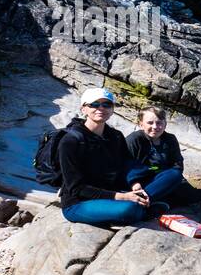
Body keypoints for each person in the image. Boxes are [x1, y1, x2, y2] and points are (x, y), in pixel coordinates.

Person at [57, 88, 168, 226]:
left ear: (112, 109)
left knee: (170, 175)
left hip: (114, 192)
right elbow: (77, 188)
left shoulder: (115, 136)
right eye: (94, 104)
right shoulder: (71, 141)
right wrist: (123, 197)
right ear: (84, 109)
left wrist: (135, 184)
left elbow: (128, 164)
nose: (101, 108)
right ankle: (145, 208)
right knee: (129, 209)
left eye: (107, 105)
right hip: (79, 202)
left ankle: (143, 200)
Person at [125, 106, 201, 211]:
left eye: (159, 122)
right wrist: (134, 182)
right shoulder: (134, 140)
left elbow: (177, 165)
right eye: (150, 123)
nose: (155, 127)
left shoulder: (170, 139)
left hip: (164, 181)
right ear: (141, 124)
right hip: (139, 184)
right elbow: (124, 164)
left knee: (176, 178)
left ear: (165, 124)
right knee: (182, 194)